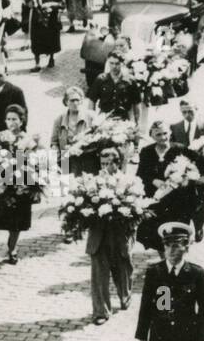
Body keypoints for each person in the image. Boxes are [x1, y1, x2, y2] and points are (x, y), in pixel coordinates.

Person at [86, 146, 137, 325]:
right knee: (99, 274)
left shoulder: (129, 181)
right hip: (99, 234)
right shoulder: (93, 181)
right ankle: (101, 311)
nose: (106, 167)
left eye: (109, 163)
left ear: (118, 164)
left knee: (123, 268)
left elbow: (135, 207)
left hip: (119, 233)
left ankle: (125, 295)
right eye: (103, 163)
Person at [0, 105, 34, 264]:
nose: (11, 122)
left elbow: (33, 159)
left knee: (17, 221)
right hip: (2, 182)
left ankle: (12, 248)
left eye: (14, 119)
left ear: (21, 120)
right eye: (9, 119)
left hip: (19, 183)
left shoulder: (27, 138)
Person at [26, 0, 63, 72]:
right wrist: (30, 3)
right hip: (37, 18)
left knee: (51, 38)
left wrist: (51, 4)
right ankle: (37, 63)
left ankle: (51, 58)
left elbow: (62, 3)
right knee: (36, 40)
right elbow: (27, 3)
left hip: (51, 17)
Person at [51, 87, 93, 177]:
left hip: (86, 159)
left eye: (77, 100)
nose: (75, 103)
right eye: (72, 100)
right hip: (66, 159)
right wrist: (58, 155)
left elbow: (96, 138)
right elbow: (54, 142)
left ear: (82, 101)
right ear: (66, 102)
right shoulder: (59, 119)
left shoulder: (90, 117)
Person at [136, 120, 181, 197]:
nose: (163, 137)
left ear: (170, 133)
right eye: (158, 135)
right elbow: (140, 173)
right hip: (153, 193)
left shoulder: (179, 149)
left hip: (176, 194)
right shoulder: (146, 151)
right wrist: (153, 181)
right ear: (152, 136)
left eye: (165, 133)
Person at [0, 66, 27, 131]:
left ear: (6, 75)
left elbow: (23, 114)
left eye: (0, 76)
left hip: (9, 131)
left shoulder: (16, 92)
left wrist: (19, 132)